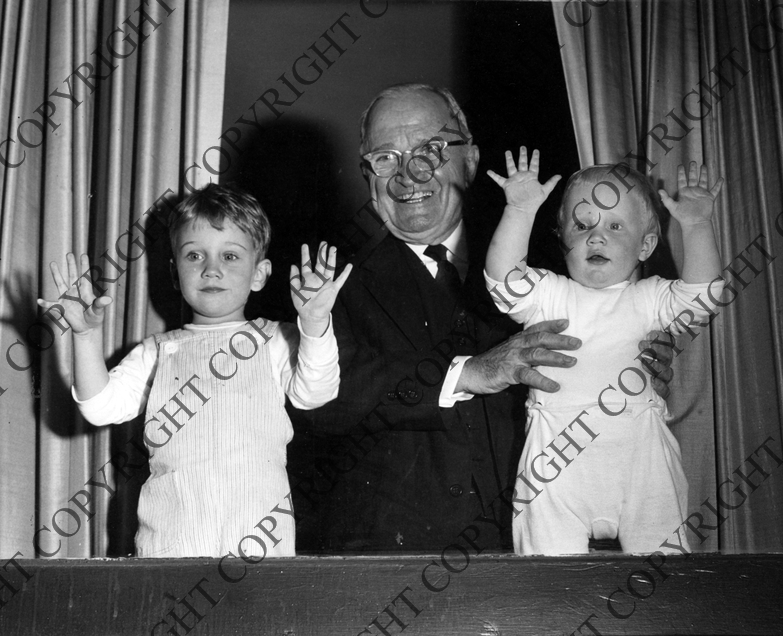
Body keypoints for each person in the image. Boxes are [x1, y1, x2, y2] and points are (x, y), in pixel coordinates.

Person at [298, 84, 675, 552]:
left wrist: (643, 355)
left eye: (430, 150)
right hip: (392, 565)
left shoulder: (563, 261)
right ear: (367, 176)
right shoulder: (326, 281)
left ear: (471, 160)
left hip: (528, 555)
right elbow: (320, 403)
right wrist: (470, 371)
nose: (408, 175)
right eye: (386, 158)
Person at [38, 184, 351, 558]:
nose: (212, 269)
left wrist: (315, 323)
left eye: (231, 256)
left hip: (260, 545)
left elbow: (315, 391)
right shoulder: (157, 352)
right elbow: (99, 405)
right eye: (194, 255)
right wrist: (85, 336)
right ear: (175, 271)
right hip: (169, 543)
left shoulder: (276, 339)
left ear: (260, 273)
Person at [484, 150, 723, 554]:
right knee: (548, 582)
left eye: (615, 226)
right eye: (583, 225)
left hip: (640, 460)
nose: (597, 236)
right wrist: (519, 212)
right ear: (562, 237)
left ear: (646, 246)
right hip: (554, 463)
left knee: (663, 577)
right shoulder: (550, 294)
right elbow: (503, 282)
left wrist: (697, 226)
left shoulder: (648, 298)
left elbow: (703, 298)